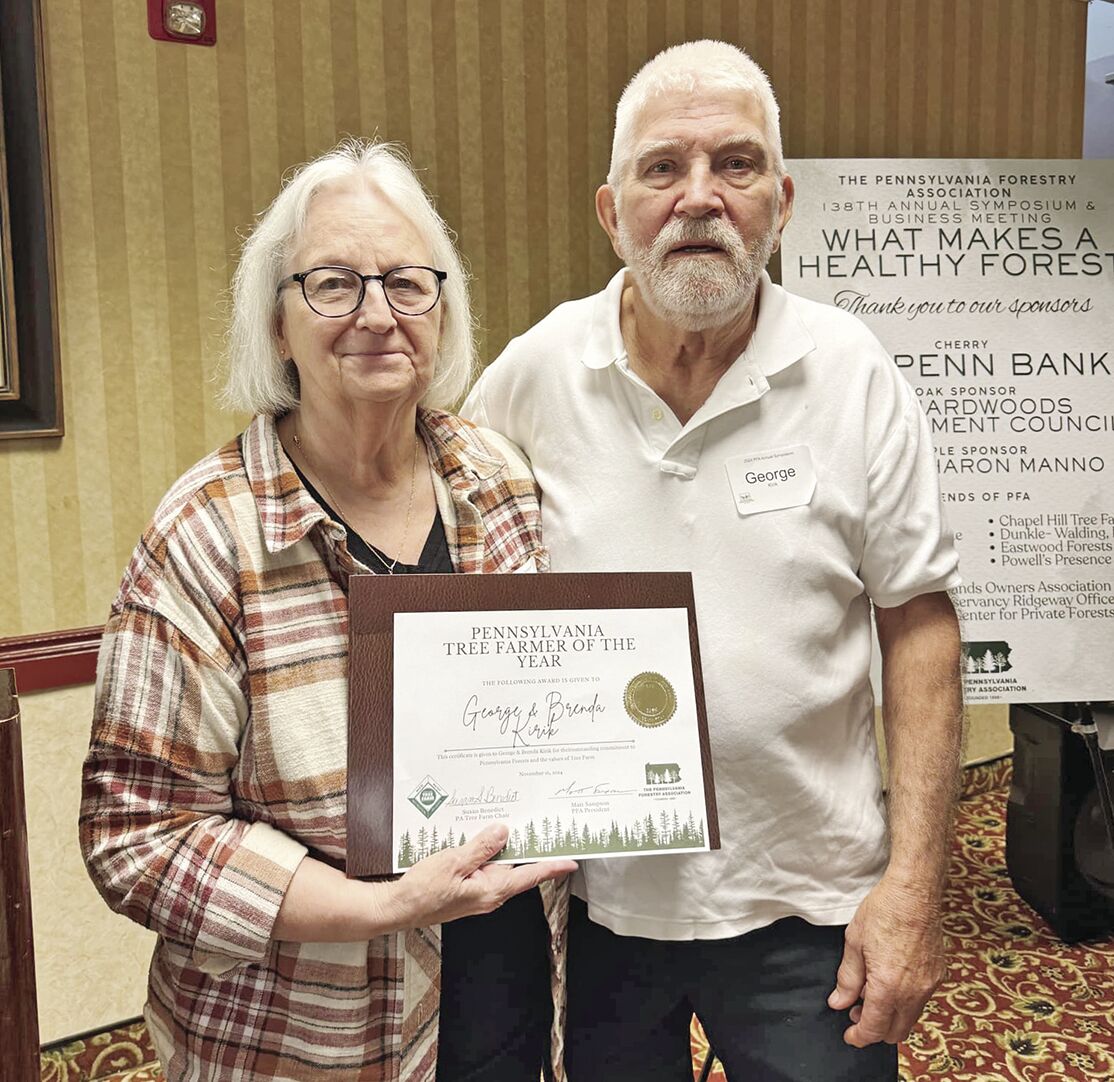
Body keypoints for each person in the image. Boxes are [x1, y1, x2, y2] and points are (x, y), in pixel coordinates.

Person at [462, 39, 964, 1082]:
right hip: (596, 908)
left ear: (779, 202)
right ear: (612, 211)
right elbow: (456, 604)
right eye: (662, 168)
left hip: (811, 910)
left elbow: (918, 627)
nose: (700, 198)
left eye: (734, 166)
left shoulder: (852, 374)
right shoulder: (534, 374)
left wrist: (914, 885)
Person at [80, 139, 575, 1082]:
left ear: (443, 309)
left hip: (510, 1000)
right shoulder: (206, 536)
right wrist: (383, 906)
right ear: (277, 323)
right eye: (335, 284)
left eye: (406, 283)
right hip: (307, 1041)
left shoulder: (499, 480)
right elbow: (137, 838)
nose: (377, 314)